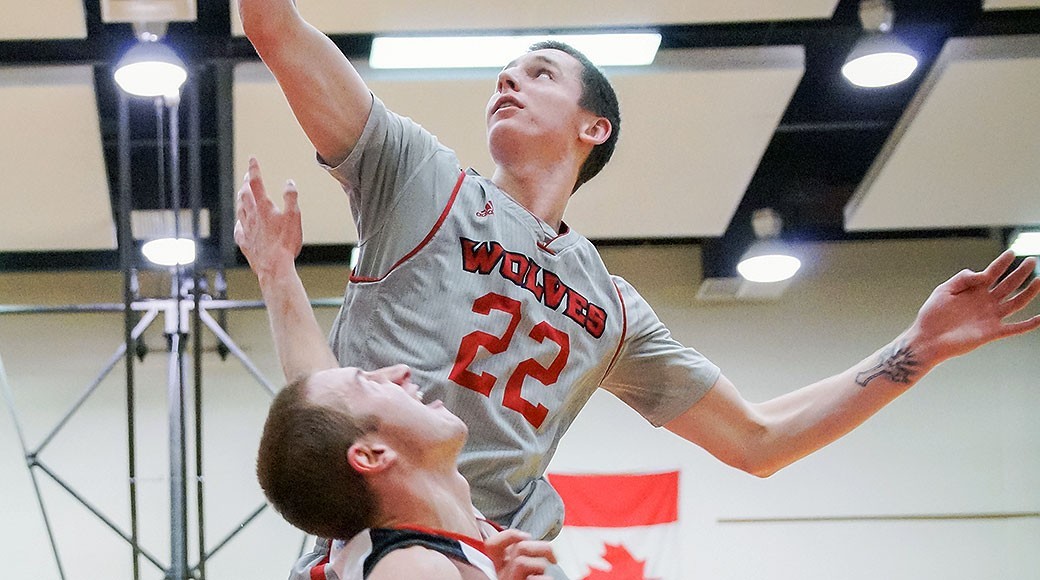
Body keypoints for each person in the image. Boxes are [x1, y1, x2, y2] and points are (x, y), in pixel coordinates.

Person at [236, 0, 1040, 576]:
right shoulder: (420, 178)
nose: (506, 82)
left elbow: (759, 439)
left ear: (596, 127)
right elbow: (273, 24)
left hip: (499, 553)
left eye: (539, 72)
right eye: (503, 75)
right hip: (383, 532)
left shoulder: (614, 308)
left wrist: (922, 347)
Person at [253, 347, 557, 579]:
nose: (400, 372)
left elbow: (316, 425)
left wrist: (278, 276)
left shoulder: (450, 536)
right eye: (370, 383)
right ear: (372, 456)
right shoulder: (411, 565)